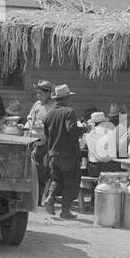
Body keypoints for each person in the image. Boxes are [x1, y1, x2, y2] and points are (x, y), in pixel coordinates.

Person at [42, 83, 82, 219]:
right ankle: (65, 211)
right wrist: (84, 129)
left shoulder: (49, 115)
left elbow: (47, 137)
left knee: (56, 179)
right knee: (71, 182)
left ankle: (50, 198)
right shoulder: (69, 112)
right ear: (66, 99)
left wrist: (48, 154)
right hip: (68, 155)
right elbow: (71, 130)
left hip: (53, 154)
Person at [25, 80, 55, 204]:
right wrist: (26, 129)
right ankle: (32, 196)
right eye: (37, 93)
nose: (38, 96)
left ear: (48, 93)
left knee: (43, 170)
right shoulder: (37, 105)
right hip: (33, 139)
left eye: (40, 93)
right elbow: (30, 119)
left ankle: (39, 197)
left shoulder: (53, 106)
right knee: (32, 167)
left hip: (46, 141)